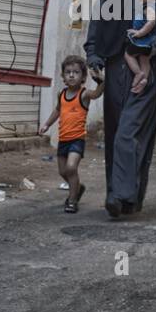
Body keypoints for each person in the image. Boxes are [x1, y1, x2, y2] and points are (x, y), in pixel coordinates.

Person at [84, 0, 156, 218]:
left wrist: (150, 52)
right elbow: (94, 39)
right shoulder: (103, 5)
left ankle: (123, 195)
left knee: (130, 136)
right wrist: (94, 58)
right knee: (115, 137)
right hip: (113, 77)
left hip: (143, 77)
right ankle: (119, 197)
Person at [38, 55, 103, 213]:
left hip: (77, 140)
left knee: (71, 167)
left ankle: (72, 200)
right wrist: (46, 124)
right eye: (68, 72)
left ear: (83, 77)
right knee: (63, 172)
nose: (72, 75)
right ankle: (77, 187)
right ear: (63, 76)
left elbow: (97, 94)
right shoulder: (62, 94)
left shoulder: (84, 94)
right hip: (64, 140)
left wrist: (101, 81)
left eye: (76, 72)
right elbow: (57, 111)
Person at [123, 0, 156, 94]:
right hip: (149, 44)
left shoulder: (150, 7)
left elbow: (151, 22)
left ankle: (138, 73)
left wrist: (139, 33)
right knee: (144, 60)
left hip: (142, 41)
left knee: (128, 55)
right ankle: (144, 80)